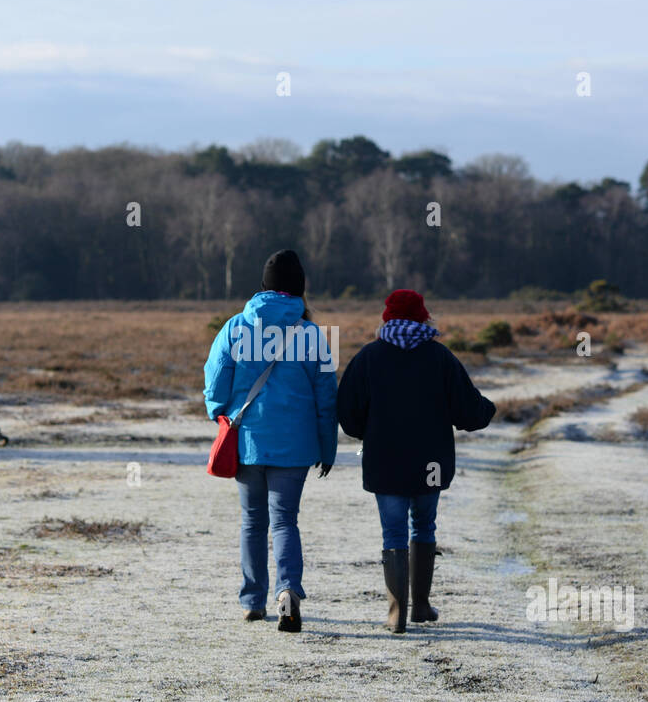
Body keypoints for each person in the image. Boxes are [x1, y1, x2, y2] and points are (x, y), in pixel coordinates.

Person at [336, 289, 495, 633]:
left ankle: (396, 614)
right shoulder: (440, 358)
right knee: (424, 526)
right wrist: (489, 409)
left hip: (385, 461)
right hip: (430, 463)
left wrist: (369, 431)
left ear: (387, 318)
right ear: (424, 317)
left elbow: (347, 414)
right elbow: (469, 411)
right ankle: (420, 606)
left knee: (392, 531)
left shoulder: (368, 357)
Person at [204, 249, 337, 632]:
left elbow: (215, 383)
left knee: (251, 523)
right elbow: (327, 398)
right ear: (299, 290)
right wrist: (327, 448)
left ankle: (251, 601)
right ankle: (288, 592)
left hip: (247, 442)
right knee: (284, 523)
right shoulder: (312, 335)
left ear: (262, 286)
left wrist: (220, 415)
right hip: (295, 448)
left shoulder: (234, 327)